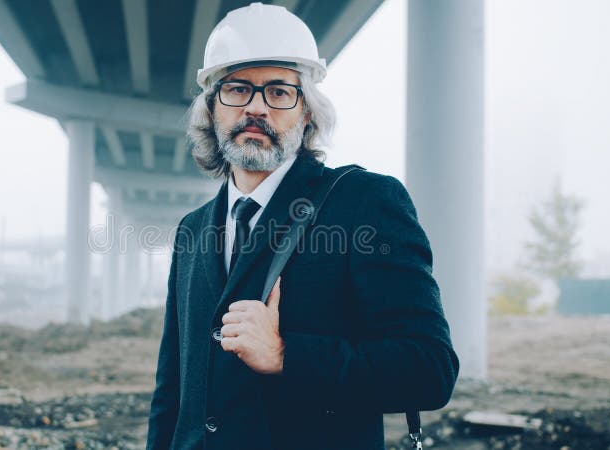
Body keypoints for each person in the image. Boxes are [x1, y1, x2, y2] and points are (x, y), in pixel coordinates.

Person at [146, 3, 459, 450]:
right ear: (213, 108)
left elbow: (430, 370)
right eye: (237, 89)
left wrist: (286, 355)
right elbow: (171, 393)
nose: (256, 108)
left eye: (278, 92)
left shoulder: (365, 204)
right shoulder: (192, 230)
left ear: (307, 113)